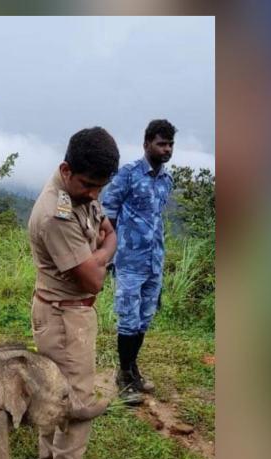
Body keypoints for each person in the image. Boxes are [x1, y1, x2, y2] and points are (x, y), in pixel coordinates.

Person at [26, 127, 120, 459]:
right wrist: (103, 253)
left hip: (67, 314)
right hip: (64, 318)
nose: (94, 195)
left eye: (101, 187)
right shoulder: (56, 214)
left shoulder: (78, 192)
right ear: (67, 170)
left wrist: (99, 251)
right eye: (88, 185)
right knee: (76, 408)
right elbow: (94, 280)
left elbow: (110, 231)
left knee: (54, 401)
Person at [102, 119, 176, 403]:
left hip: (154, 261)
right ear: (146, 144)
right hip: (129, 261)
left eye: (170, 144)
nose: (167, 149)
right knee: (128, 319)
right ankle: (123, 376)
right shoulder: (129, 174)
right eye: (161, 144)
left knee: (144, 318)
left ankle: (133, 370)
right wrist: (106, 254)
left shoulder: (166, 180)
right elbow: (108, 212)